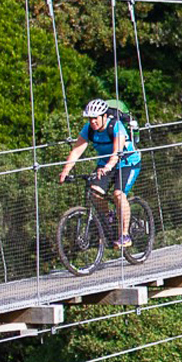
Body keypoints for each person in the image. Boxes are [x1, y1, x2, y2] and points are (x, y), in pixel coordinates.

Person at [57, 98, 140, 249]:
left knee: (118, 194)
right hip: (105, 164)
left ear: (104, 116)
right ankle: (110, 217)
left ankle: (125, 236)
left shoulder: (116, 127)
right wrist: (64, 172)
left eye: (95, 118)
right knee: (94, 192)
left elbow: (117, 152)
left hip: (127, 161)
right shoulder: (88, 129)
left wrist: (108, 167)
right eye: (90, 118)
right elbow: (76, 151)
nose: (93, 121)